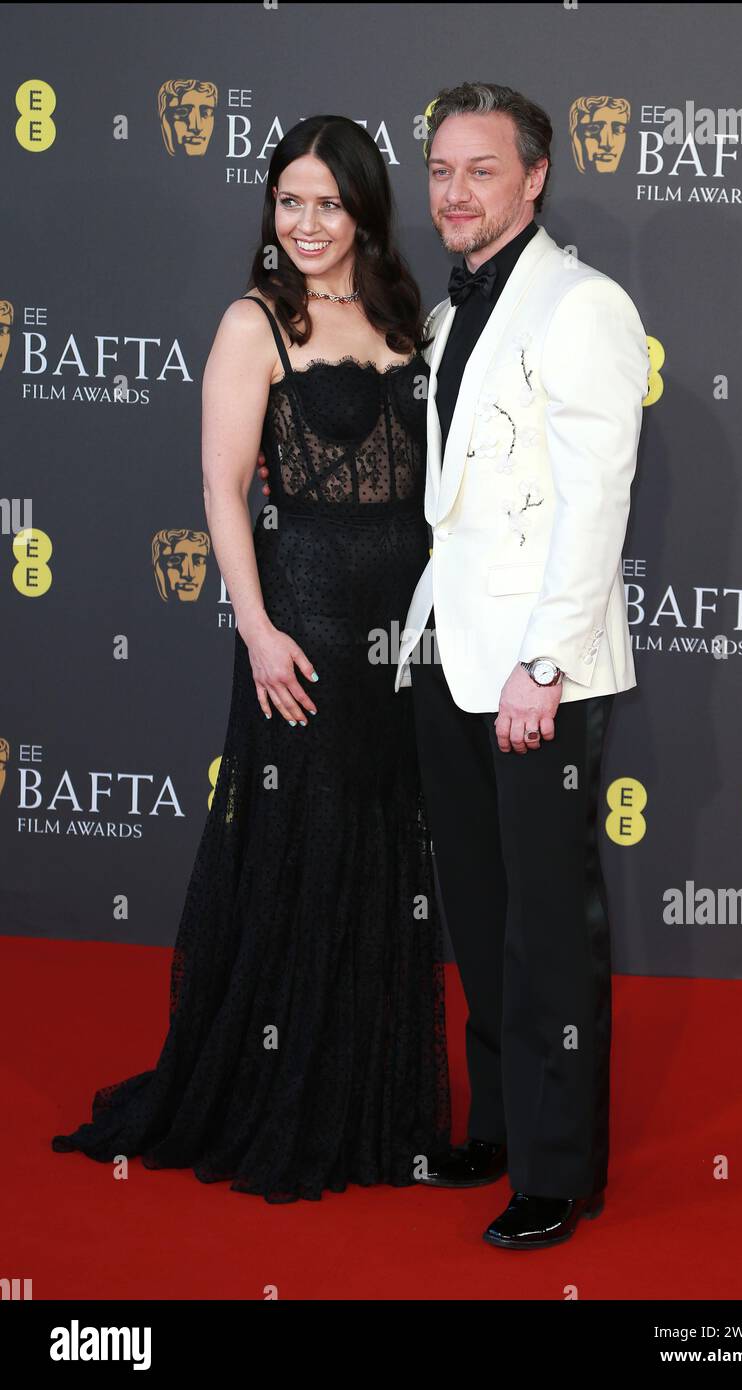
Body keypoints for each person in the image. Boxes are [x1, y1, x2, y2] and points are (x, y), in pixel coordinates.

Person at [51, 115, 451, 1204]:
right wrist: (256, 624)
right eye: (289, 201)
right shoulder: (252, 323)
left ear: (365, 208)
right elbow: (222, 488)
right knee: (303, 843)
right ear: (269, 212)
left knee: (377, 848)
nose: (307, 222)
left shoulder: (406, 314)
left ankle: (371, 1102)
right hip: (304, 626)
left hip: (402, 636)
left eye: (328, 201)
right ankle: (280, 1094)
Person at [393, 83, 648, 1250]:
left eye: (479, 170)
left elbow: (594, 504)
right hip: (452, 657)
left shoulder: (583, 304)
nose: (453, 192)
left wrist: (542, 664)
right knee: (481, 911)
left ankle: (557, 1171)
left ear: (534, 176)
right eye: (440, 170)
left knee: (546, 925)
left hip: (539, 673)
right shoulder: (451, 319)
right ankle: (496, 1122)